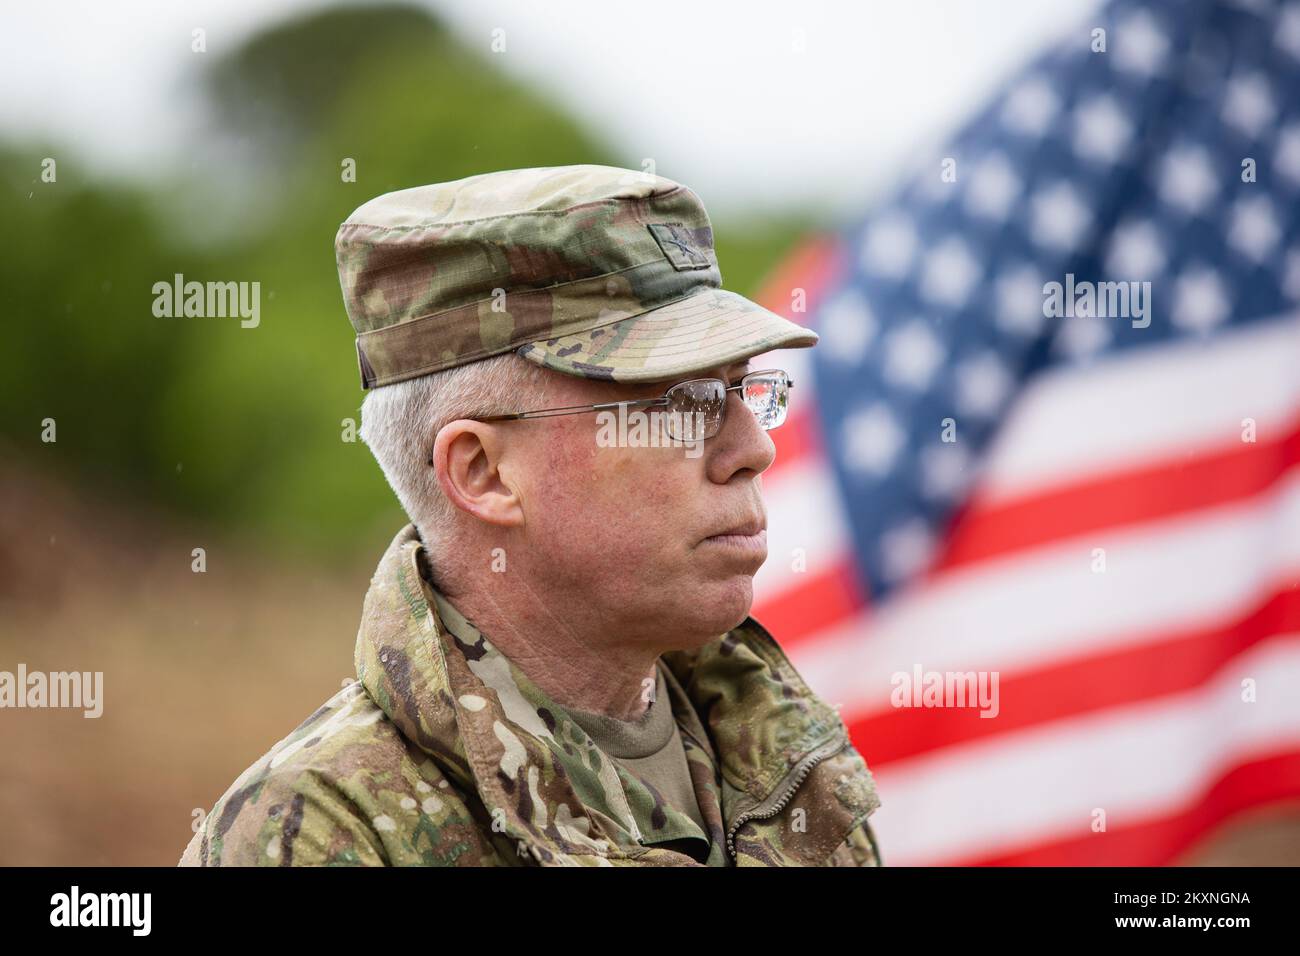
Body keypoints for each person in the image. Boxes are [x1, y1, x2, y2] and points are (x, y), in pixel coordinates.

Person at [179, 164, 883, 866]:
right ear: (482, 473)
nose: (753, 449)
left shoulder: (789, 762)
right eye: (682, 405)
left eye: (742, 390)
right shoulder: (321, 834)